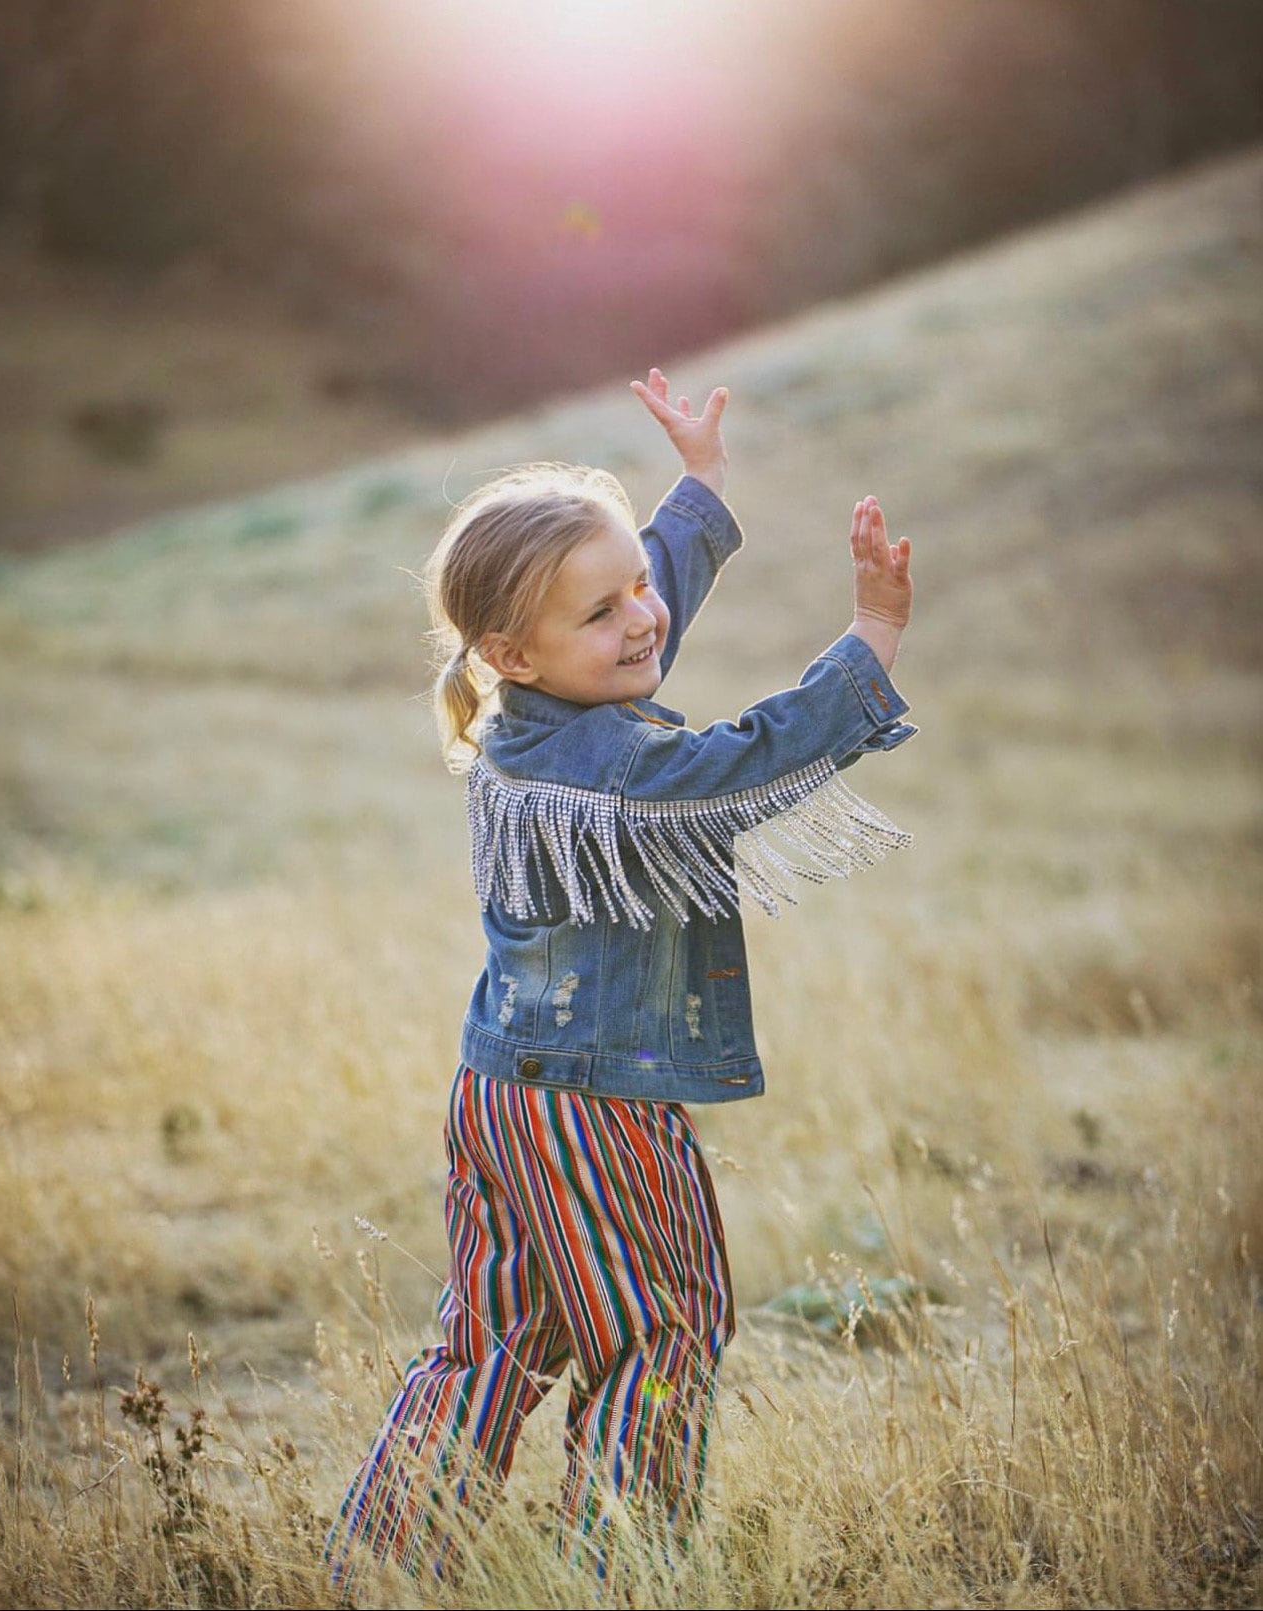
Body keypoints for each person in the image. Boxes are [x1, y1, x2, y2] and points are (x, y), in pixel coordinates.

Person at [324, 367, 916, 1587]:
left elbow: (631, 614)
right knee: (665, 1329)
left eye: (638, 585)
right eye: (605, 610)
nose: (642, 616)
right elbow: (745, 757)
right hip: (596, 1109)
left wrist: (695, 493)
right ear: (510, 646)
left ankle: (383, 1569)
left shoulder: (533, 708)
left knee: (493, 1343)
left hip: (500, 1092)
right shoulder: (618, 768)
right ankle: (618, 1574)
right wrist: (874, 641)